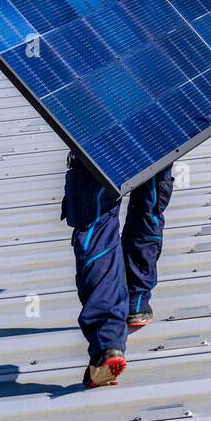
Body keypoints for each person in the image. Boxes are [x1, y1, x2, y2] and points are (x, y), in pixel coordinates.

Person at [61, 155, 174, 388]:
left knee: (96, 226)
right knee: (148, 206)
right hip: (158, 128)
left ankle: (107, 341)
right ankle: (136, 301)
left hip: (95, 130)